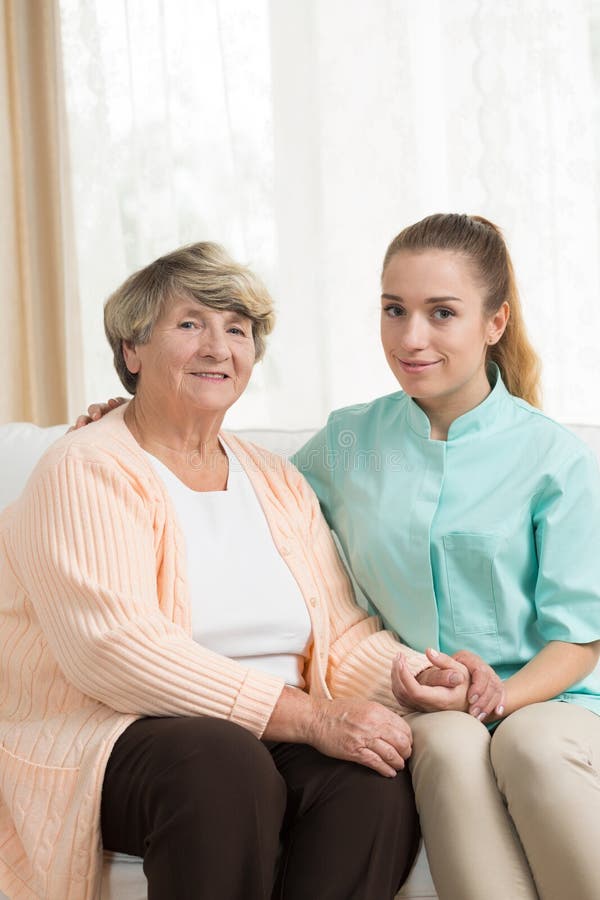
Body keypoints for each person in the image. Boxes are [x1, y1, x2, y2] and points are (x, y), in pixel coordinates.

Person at [0, 240, 469, 900]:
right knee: (222, 762)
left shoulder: (276, 479)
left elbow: (342, 636)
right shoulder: (86, 467)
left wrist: (417, 675)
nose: (218, 348)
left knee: (373, 775)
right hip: (116, 737)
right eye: (190, 324)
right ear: (132, 351)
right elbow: (115, 651)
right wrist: (312, 719)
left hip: (263, 736)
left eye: (237, 329)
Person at [291, 213, 600, 900]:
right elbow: (245, 488)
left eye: (441, 313)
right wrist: (135, 421)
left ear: (495, 322)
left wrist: (498, 697)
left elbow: (579, 638)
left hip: (551, 698)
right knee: (449, 742)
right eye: (394, 310)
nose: (410, 338)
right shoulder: (349, 442)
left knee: (528, 744)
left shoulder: (555, 458)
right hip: (423, 706)